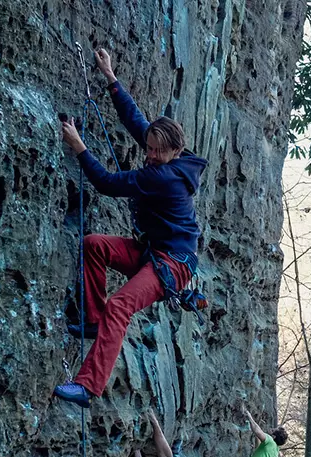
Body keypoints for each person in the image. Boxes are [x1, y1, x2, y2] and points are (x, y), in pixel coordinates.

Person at [54, 48, 208, 409]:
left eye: (156, 151)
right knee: (94, 245)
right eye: (149, 149)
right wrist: (111, 78)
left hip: (173, 264)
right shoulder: (173, 156)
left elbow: (106, 183)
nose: (149, 154)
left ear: (174, 151)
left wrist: (80, 148)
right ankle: (92, 321)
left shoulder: (164, 177)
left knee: (120, 305)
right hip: (155, 252)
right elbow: (138, 123)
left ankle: (89, 387)